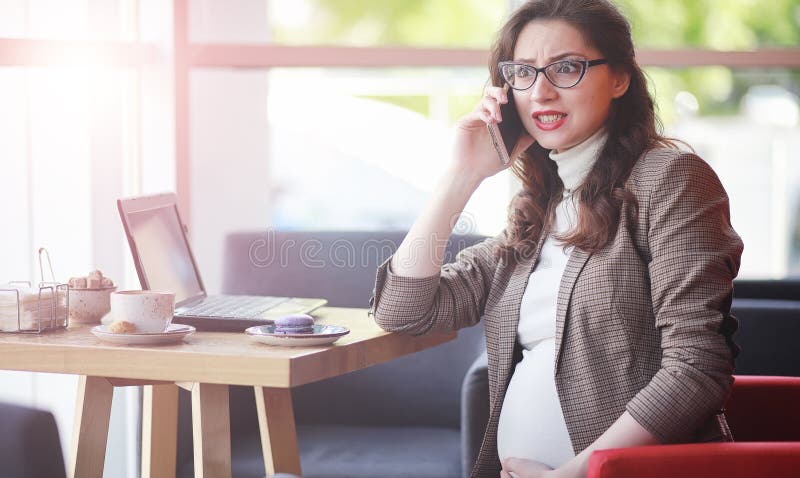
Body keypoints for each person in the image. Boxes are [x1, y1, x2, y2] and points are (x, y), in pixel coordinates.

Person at [370, 0, 744, 477]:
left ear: (620, 78)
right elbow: (404, 310)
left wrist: (576, 474)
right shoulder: (538, 212)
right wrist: (460, 176)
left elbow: (696, 369)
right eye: (523, 72)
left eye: (566, 68)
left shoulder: (670, 178)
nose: (541, 92)